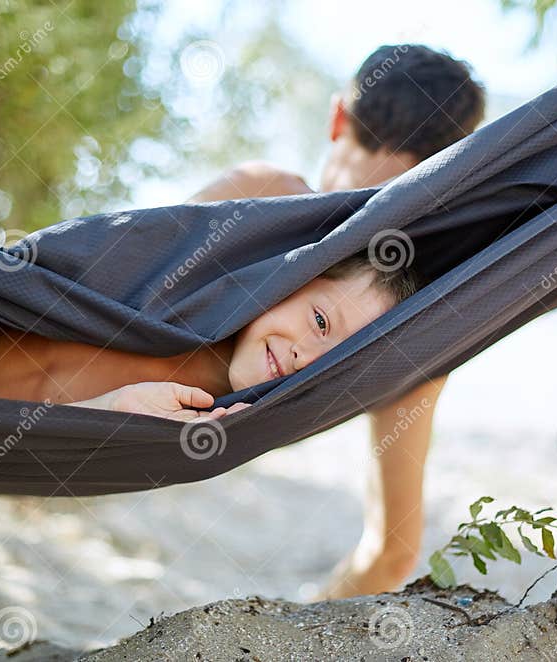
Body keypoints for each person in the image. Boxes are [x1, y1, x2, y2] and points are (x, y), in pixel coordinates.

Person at [187, 44, 486, 599]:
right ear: (448, 181)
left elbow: (120, 281)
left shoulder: (258, 193)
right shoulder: (402, 335)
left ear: (336, 117)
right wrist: (299, 627)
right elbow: (393, 552)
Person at [0, 244, 417, 420]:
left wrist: (112, 411)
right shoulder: (194, 285)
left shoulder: (206, 423)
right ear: (294, 278)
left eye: (332, 359)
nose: (304, 355)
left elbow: (41, 466)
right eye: (317, 321)